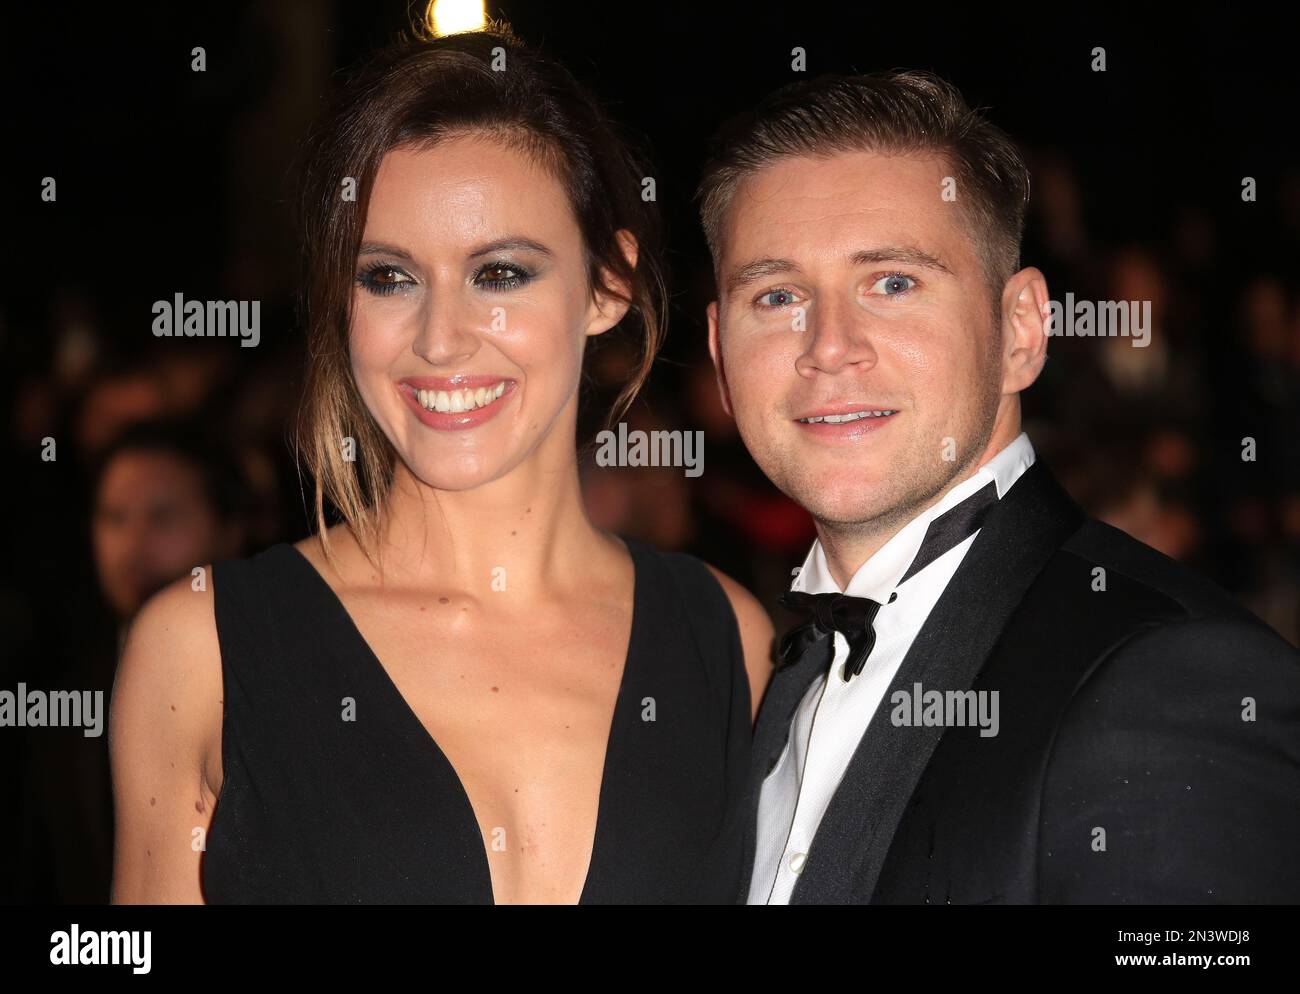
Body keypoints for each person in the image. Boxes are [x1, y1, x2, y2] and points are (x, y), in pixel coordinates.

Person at [109, 23, 773, 905]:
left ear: (608, 286)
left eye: (500, 274)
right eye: (388, 278)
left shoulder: (726, 642)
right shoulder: (201, 650)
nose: (440, 338)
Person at [696, 70, 1300, 904]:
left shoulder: (1167, 680)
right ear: (721, 357)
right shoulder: (761, 685)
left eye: (893, 283)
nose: (828, 346)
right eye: (776, 295)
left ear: (1020, 331)